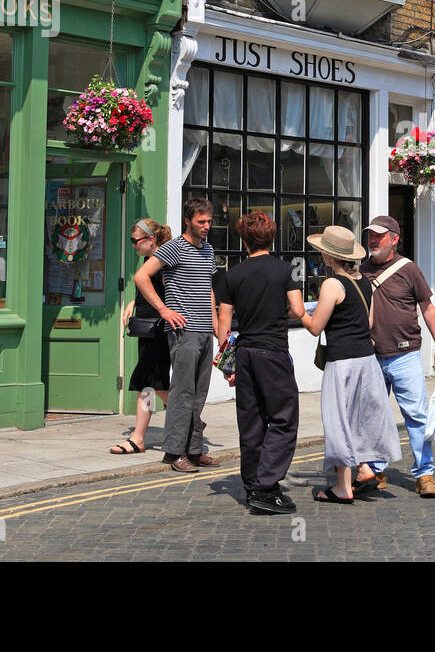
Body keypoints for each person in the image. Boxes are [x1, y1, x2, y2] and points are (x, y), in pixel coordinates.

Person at [299, 225, 400, 503]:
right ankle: (365, 469)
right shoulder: (365, 281)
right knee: (357, 419)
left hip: (342, 362)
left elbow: (316, 327)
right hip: (366, 360)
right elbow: (368, 322)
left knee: (338, 421)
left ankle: (343, 488)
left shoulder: (332, 284)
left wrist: (299, 313)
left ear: (329, 256)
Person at [215, 211, 305, 514]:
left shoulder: (232, 275)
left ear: (244, 240)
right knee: (283, 418)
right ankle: (267, 486)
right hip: (274, 352)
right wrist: (278, 313)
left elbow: (223, 324)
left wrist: (228, 365)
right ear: (272, 236)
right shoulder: (283, 270)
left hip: (245, 354)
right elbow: (296, 309)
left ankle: (253, 485)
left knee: (251, 422)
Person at [355, 215, 435, 498]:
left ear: (394, 239)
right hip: (370, 354)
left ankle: (425, 474)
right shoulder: (359, 270)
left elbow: (427, 308)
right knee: (372, 417)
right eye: (370, 235)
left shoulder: (409, 270)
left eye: (379, 236)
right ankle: (375, 468)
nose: (373, 239)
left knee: (416, 416)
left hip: (405, 354)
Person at [133, 197, 221, 472]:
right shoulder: (174, 248)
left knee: (199, 394)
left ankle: (194, 450)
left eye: (209, 221)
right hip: (183, 332)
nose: (206, 226)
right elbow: (141, 277)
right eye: (201, 222)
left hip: (205, 330)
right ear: (188, 221)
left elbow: (209, 290)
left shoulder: (207, 250)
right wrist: (163, 310)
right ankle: (174, 452)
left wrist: (217, 327)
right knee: (182, 393)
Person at [110, 219, 171, 456]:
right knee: (154, 384)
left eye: (136, 241)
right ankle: (188, 419)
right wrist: (135, 302)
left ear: (150, 240)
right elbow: (150, 290)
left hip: (158, 330)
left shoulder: (164, 262)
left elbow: (169, 293)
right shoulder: (149, 261)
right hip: (148, 328)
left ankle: (137, 439)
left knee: (146, 382)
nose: (133, 245)